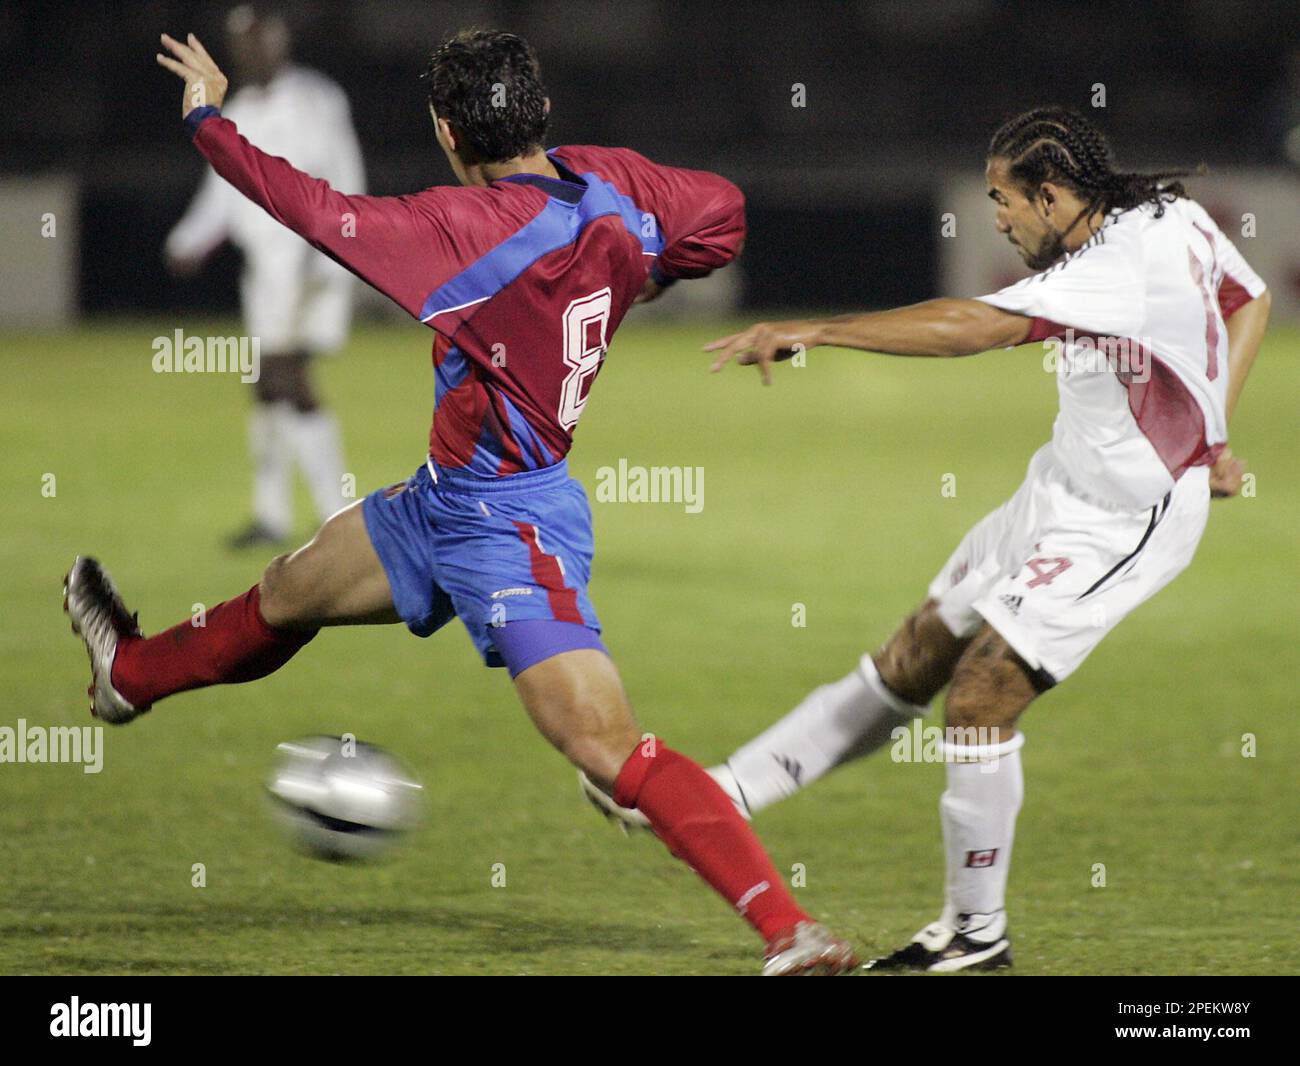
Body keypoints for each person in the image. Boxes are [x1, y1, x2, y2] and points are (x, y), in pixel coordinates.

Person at [64, 27, 858, 976]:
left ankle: (791, 931)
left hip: (509, 526)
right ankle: (130, 675)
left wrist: (205, 120)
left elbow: (316, 211)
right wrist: (644, 274)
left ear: (446, 130)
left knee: (604, 747)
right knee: (287, 590)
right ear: (541, 112)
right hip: (437, 502)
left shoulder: (461, 229)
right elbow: (722, 211)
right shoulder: (614, 187)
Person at [584, 106, 1271, 973]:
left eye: (1005, 200)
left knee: (983, 692)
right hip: (1058, 490)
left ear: (1054, 197)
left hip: (1127, 523)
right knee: (916, 652)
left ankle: (976, 937)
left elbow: (969, 328)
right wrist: (1215, 432)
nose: (997, 219)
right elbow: (1252, 298)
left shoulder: (1119, 264)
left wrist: (820, 328)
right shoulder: (1169, 215)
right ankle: (721, 797)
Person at [165, 5, 364, 549]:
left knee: (284, 379)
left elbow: (347, 178)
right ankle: (273, 513)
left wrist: (336, 258)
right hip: (264, 274)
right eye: (240, 45)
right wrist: (189, 240)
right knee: (267, 388)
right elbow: (223, 191)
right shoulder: (243, 108)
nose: (248, 54)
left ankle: (336, 512)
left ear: (277, 43)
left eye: (256, 42)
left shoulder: (317, 99)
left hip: (311, 266)